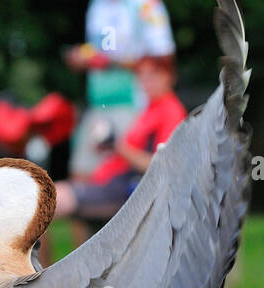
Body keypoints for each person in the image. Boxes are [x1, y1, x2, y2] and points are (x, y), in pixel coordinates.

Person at [54, 54, 185, 224]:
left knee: (44, 201)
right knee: (40, 201)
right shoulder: (150, 108)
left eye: (153, 75)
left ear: (169, 77)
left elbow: (161, 164)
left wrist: (115, 144)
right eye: (141, 75)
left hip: (126, 189)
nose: (146, 81)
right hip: (110, 180)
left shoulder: (171, 112)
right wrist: (109, 145)